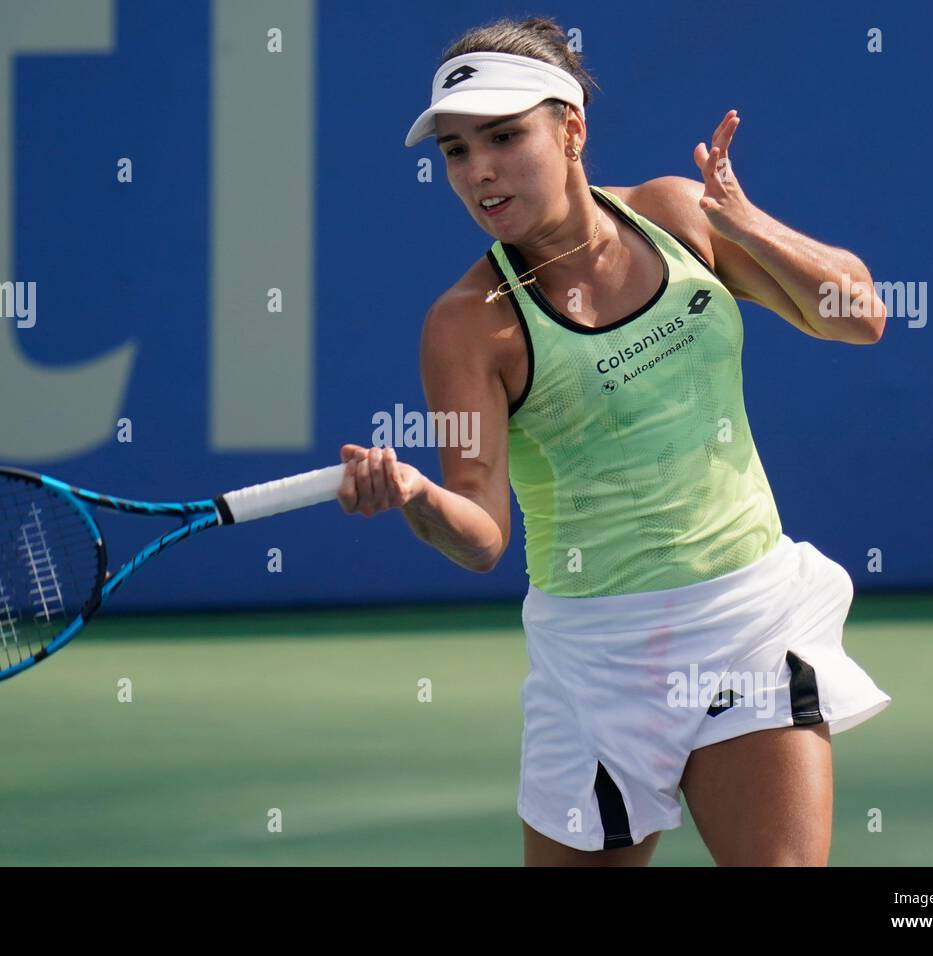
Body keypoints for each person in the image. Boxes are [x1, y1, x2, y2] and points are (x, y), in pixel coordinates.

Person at [337, 16, 890, 866]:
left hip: (746, 612)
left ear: (571, 127)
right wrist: (416, 499)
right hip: (597, 658)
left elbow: (859, 318)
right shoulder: (465, 328)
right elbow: (482, 535)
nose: (478, 169)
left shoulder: (677, 212)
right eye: (454, 149)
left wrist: (743, 223)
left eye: (503, 135)